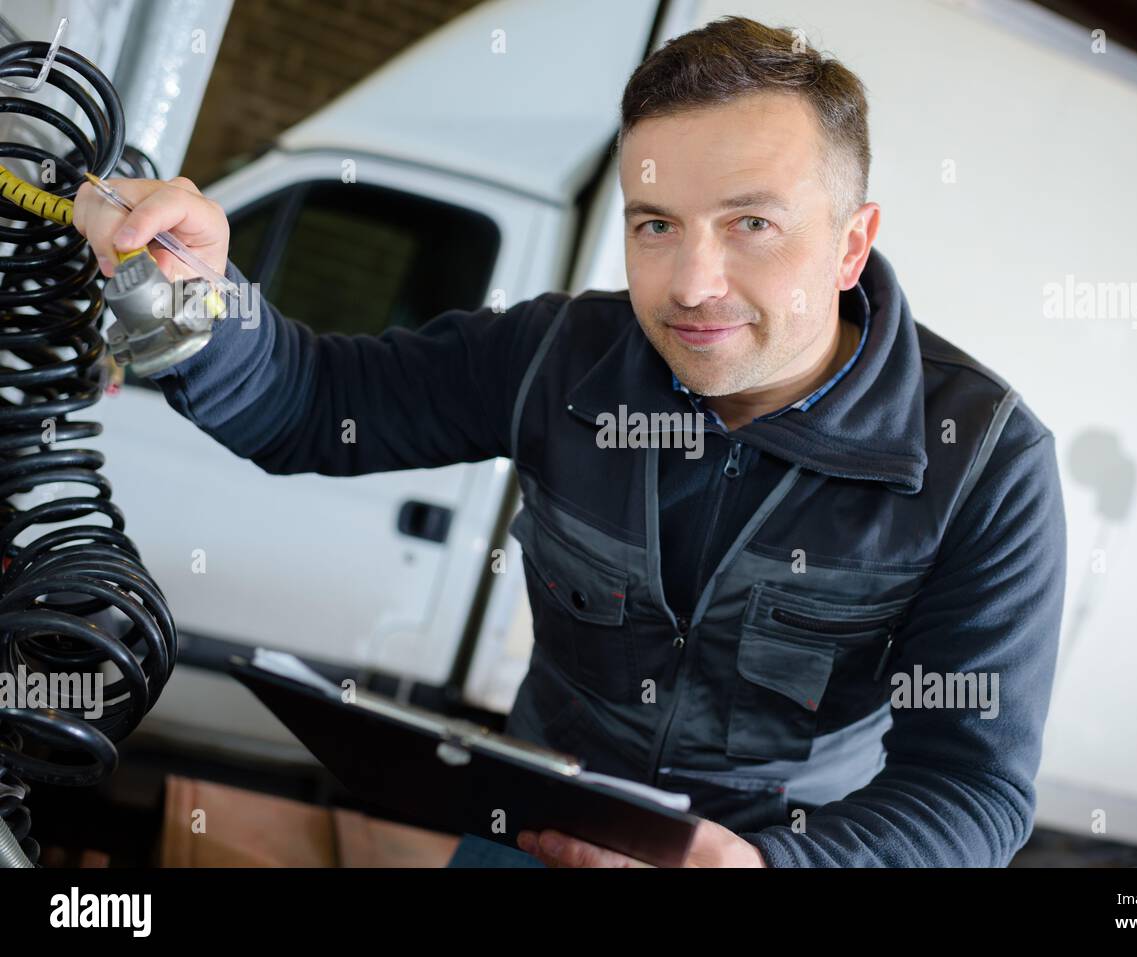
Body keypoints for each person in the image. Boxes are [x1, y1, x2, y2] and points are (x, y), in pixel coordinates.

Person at [74, 16, 1066, 868]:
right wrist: (195, 294)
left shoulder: (981, 460)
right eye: (655, 226)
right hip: (532, 835)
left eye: (751, 224)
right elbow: (313, 400)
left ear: (850, 242)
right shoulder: (560, 356)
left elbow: (971, 789)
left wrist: (771, 864)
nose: (691, 282)